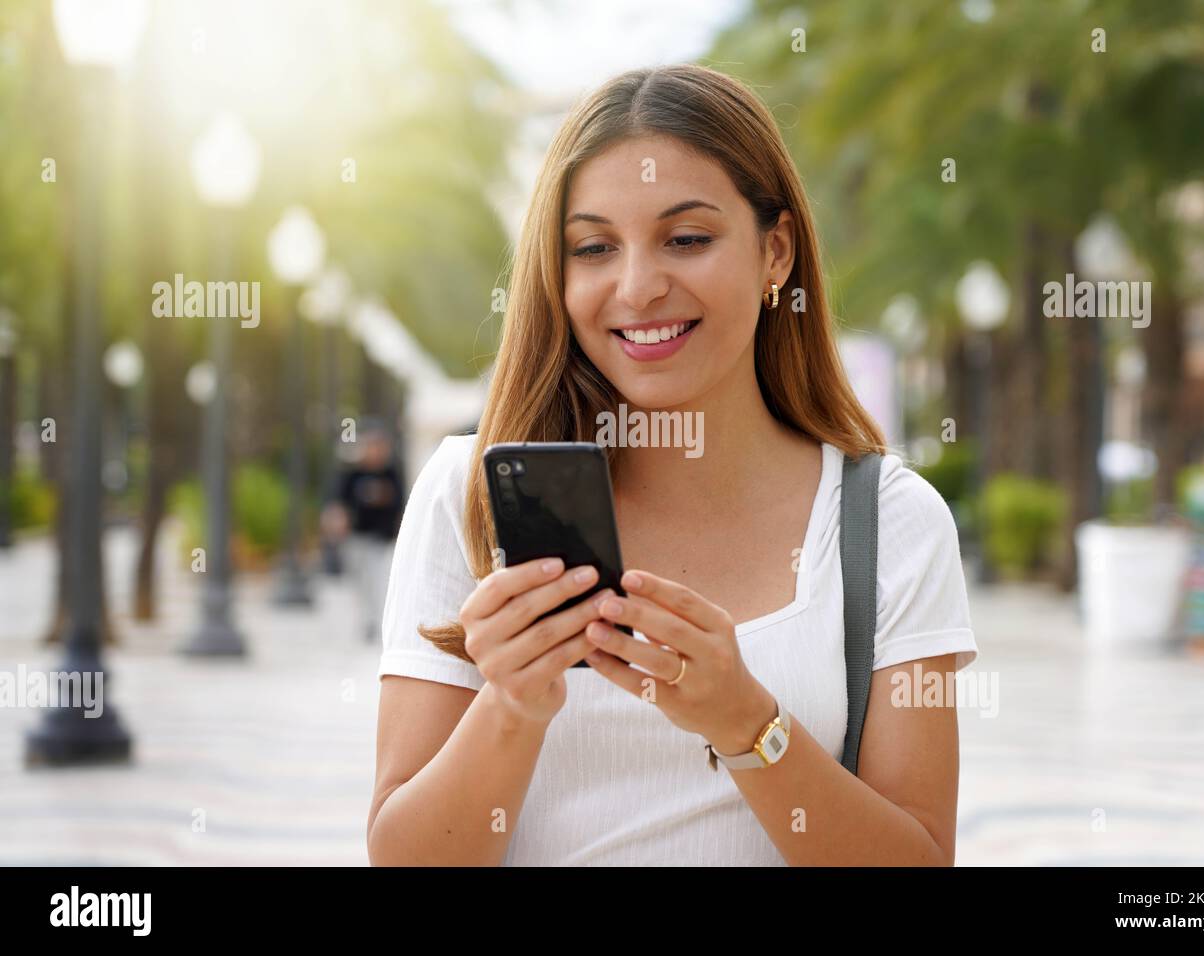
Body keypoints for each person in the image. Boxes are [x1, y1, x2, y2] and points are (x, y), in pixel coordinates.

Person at [368, 64, 978, 866]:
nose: (638, 286)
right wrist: (512, 706)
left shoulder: (891, 523)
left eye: (686, 238)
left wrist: (746, 723)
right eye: (593, 247)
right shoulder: (469, 495)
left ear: (776, 253)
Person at [322, 422, 405, 643]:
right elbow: (338, 504)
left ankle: (377, 621)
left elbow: (399, 502)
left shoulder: (391, 473)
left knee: (379, 580)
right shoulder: (352, 474)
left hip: (381, 539)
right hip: (356, 538)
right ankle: (366, 619)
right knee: (360, 580)